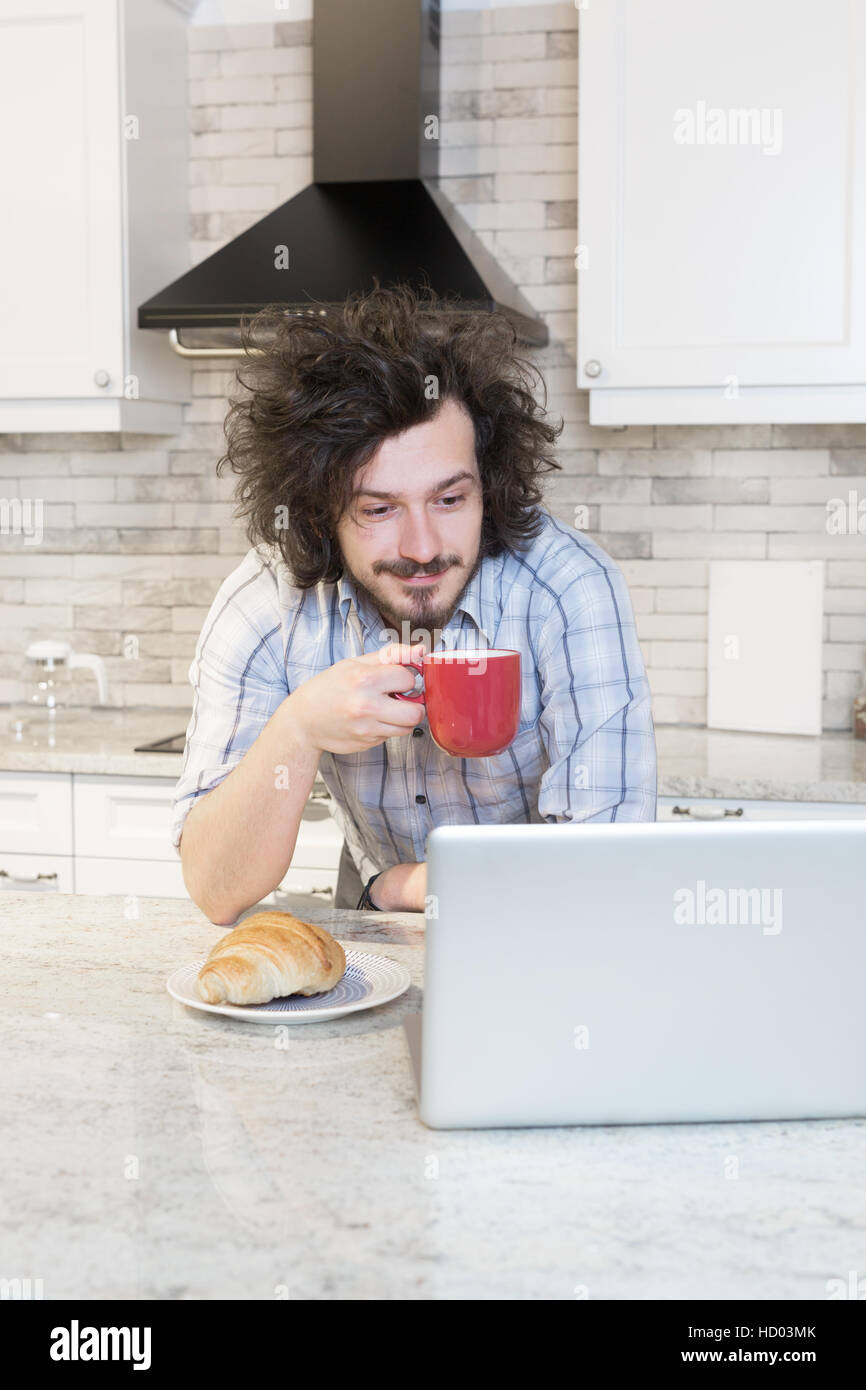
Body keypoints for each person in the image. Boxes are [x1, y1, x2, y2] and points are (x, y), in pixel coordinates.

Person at [172, 283, 657, 925]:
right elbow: (215, 888)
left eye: (450, 500)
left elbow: (607, 869)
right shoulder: (267, 603)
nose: (423, 546)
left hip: (546, 918)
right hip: (381, 907)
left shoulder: (568, 588)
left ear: (491, 486)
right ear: (319, 514)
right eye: (378, 509)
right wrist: (298, 727)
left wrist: (404, 886)